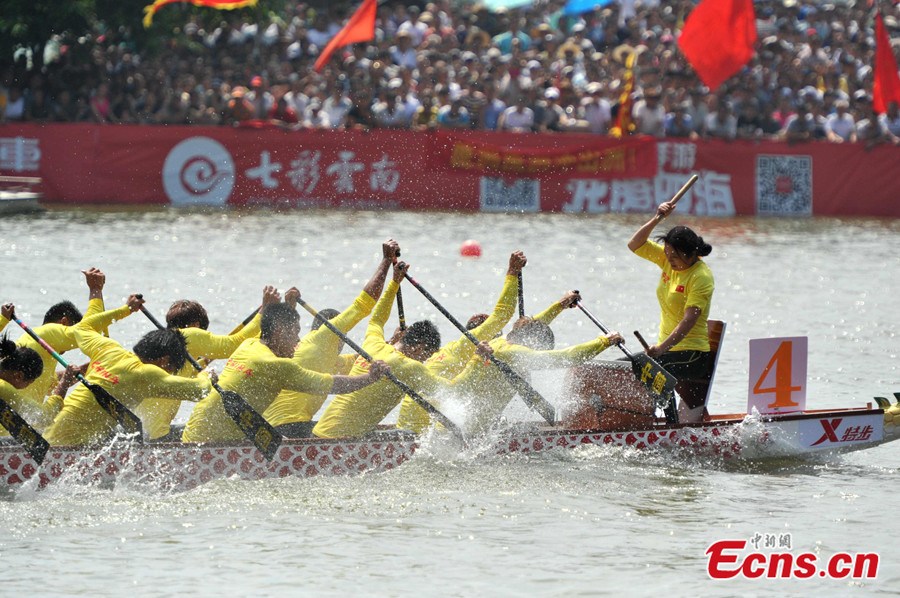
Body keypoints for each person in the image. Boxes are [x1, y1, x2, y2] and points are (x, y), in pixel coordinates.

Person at [312, 261, 490, 439]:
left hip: (319, 434)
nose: (424, 361)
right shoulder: (408, 367)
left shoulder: (374, 344)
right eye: (425, 356)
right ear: (419, 347)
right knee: (413, 437)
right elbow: (453, 390)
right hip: (339, 443)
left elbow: (376, 320)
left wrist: (394, 282)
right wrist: (477, 358)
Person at [182, 292, 390, 444]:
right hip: (213, 443)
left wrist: (287, 306)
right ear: (281, 332)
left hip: (193, 434)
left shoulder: (249, 345)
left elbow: (271, 328)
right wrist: (370, 378)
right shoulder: (276, 365)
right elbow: (334, 384)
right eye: (295, 333)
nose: (297, 341)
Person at [263, 240, 400, 437]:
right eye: (342, 337)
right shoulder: (324, 337)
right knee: (352, 432)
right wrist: (386, 261)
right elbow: (363, 304)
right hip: (290, 428)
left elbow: (358, 360)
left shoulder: (312, 353)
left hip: (274, 429)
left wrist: (392, 342)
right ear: (334, 334)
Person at [44, 298, 216, 446]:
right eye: (171, 368)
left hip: (49, 437)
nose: (168, 373)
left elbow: (84, 327)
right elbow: (199, 391)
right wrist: (207, 375)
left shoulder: (109, 349)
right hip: (71, 450)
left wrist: (126, 310)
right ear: (164, 360)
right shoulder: (147, 374)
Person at [396, 250, 526, 434]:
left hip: (407, 425)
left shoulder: (454, 349)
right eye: (496, 337)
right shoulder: (469, 345)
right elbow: (502, 315)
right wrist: (512, 272)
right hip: (422, 433)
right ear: (482, 336)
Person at [135, 286, 277, 441]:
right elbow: (232, 345)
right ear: (196, 325)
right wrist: (265, 309)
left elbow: (182, 376)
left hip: (142, 431)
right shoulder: (191, 334)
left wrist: (203, 362)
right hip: (158, 436)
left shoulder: (162, 345)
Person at [452, 316, 622, 436]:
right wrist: (604, 342)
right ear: (531, 341)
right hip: (471, 433)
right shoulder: (515, 353)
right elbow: (567, 357)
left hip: (464, 423)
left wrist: (561, 305)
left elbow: (532, 325)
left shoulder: (501, 341)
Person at [627, 200, 715, 422]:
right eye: (667, 254)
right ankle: (635, 422)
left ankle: (671, 429)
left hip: (693, 354)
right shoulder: (667, 260)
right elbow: (634, 244)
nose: (670, 260)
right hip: (667, 351)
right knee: (626, 366)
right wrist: (658, 218)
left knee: (653, 371)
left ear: (691, 253)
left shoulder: (701, 277)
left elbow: (689, 321)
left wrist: (661, 348)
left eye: (675, 256)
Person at [0, 333, 46, 437]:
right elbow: (44, 417)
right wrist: (64, 383)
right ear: (19, 376)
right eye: (30, 381)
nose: (29, 385)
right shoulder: (3, 389)